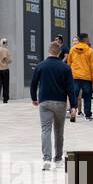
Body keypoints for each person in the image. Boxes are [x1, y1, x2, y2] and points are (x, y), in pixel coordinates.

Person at [31, 41, 74, 170]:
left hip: (44, 102)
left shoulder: (40, 66)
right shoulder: (65, 68)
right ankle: (58, 158)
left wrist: (34, 98)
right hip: (60, 102)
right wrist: (73, 105)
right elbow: (70, 88)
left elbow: (33, 84)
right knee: (59, 131)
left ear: (49, 51)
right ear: (59, 53)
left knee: (46, 130)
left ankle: (47, 159)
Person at [66, 33, 93, 122]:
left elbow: (69, 63)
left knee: (74, 95)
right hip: (86, 77)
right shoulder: (90, 51)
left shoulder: (72, 49)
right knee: (87, 96)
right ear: (86, 40)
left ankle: (73, 110)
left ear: (79, 40)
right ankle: (88, 115)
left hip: (74, 76)